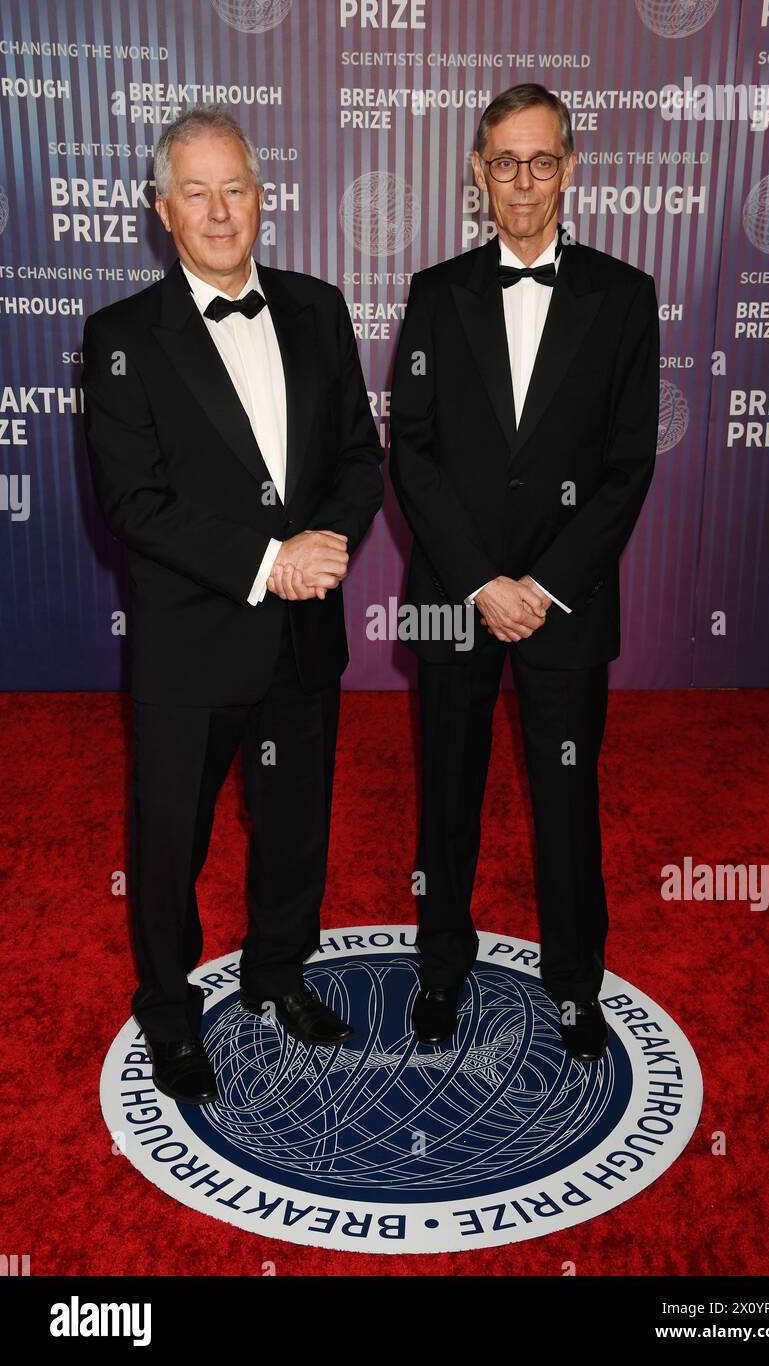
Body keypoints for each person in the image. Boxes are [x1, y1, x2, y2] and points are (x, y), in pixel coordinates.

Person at [82, 106, 383, 1104]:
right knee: (171, 844)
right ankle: (169, 1015)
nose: (220, 211)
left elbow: (357, 458)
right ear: (164, 211)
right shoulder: (121, 337)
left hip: (302, 634)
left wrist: (325, 545)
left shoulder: (319, 307)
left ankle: (278, 973)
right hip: (192, 646)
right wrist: (269, 560)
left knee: (295, 824)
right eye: (197, 192)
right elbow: (136, 504)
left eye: (236, 188)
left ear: (264, 196)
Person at [389, 83, 659, 1061]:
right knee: (447, 789)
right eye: (504, 161)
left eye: (542, 161)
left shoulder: (626, 296)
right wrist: (477, 582)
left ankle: (576, 982)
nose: (522, 182)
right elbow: (411, 451)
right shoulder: (435, 291)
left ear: (571, 167)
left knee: (566, 795)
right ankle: (440, 968)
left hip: (567, 598)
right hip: (453, 598)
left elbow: (631, 464)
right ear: (477, 170)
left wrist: (541, 584)